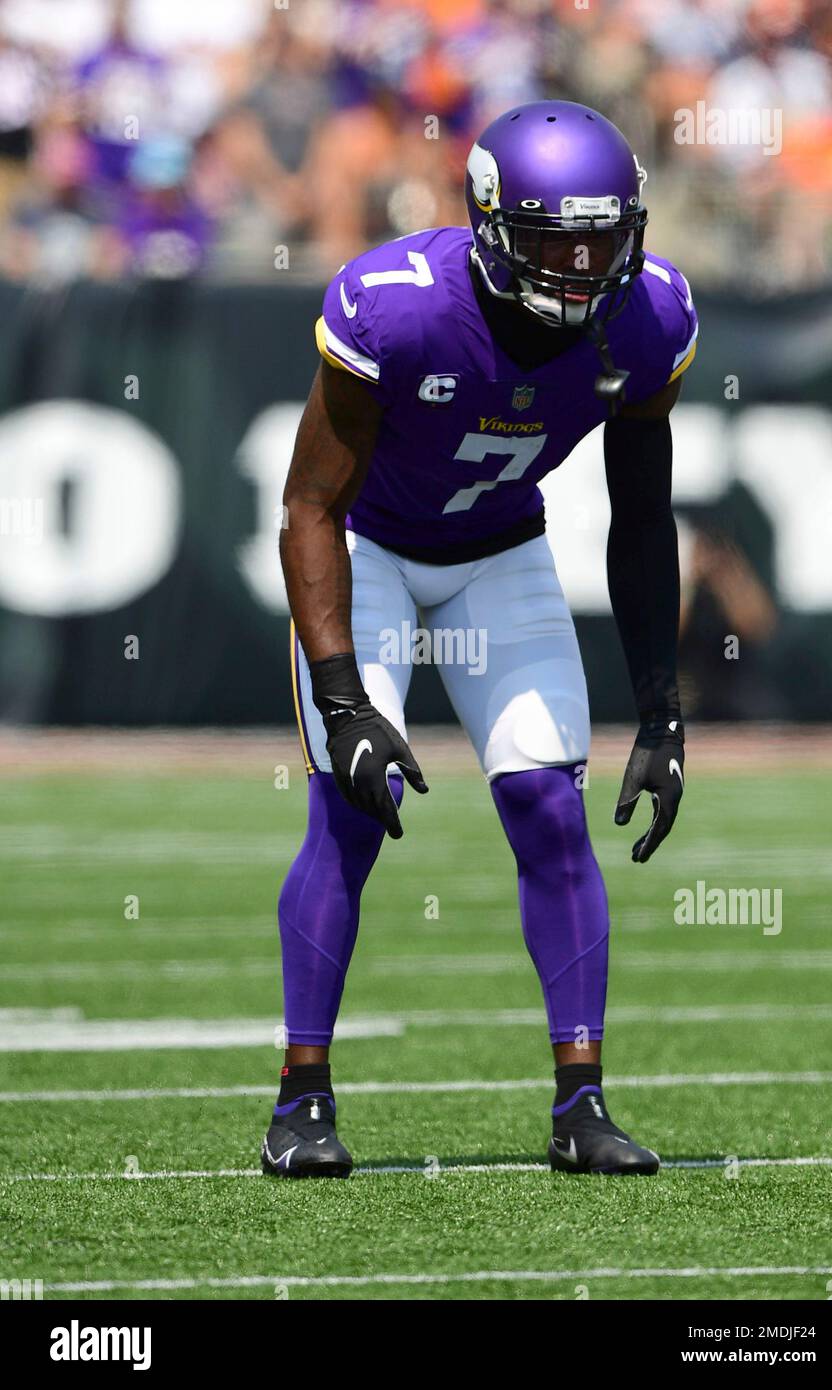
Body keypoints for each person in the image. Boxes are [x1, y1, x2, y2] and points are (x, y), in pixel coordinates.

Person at [264, 99, 698, 1179]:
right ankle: (301, 1099)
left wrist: (661, 705)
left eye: (601, 239)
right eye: (556, 241)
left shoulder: (642, 321)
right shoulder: (395, 309)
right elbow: (309, 504)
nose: (581, 266)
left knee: (548, 808)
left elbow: (643, 518)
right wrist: (343, 698)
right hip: (365, 551)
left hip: (499, 556)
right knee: (349, 810)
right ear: (494, 225)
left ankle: (581, 1101)